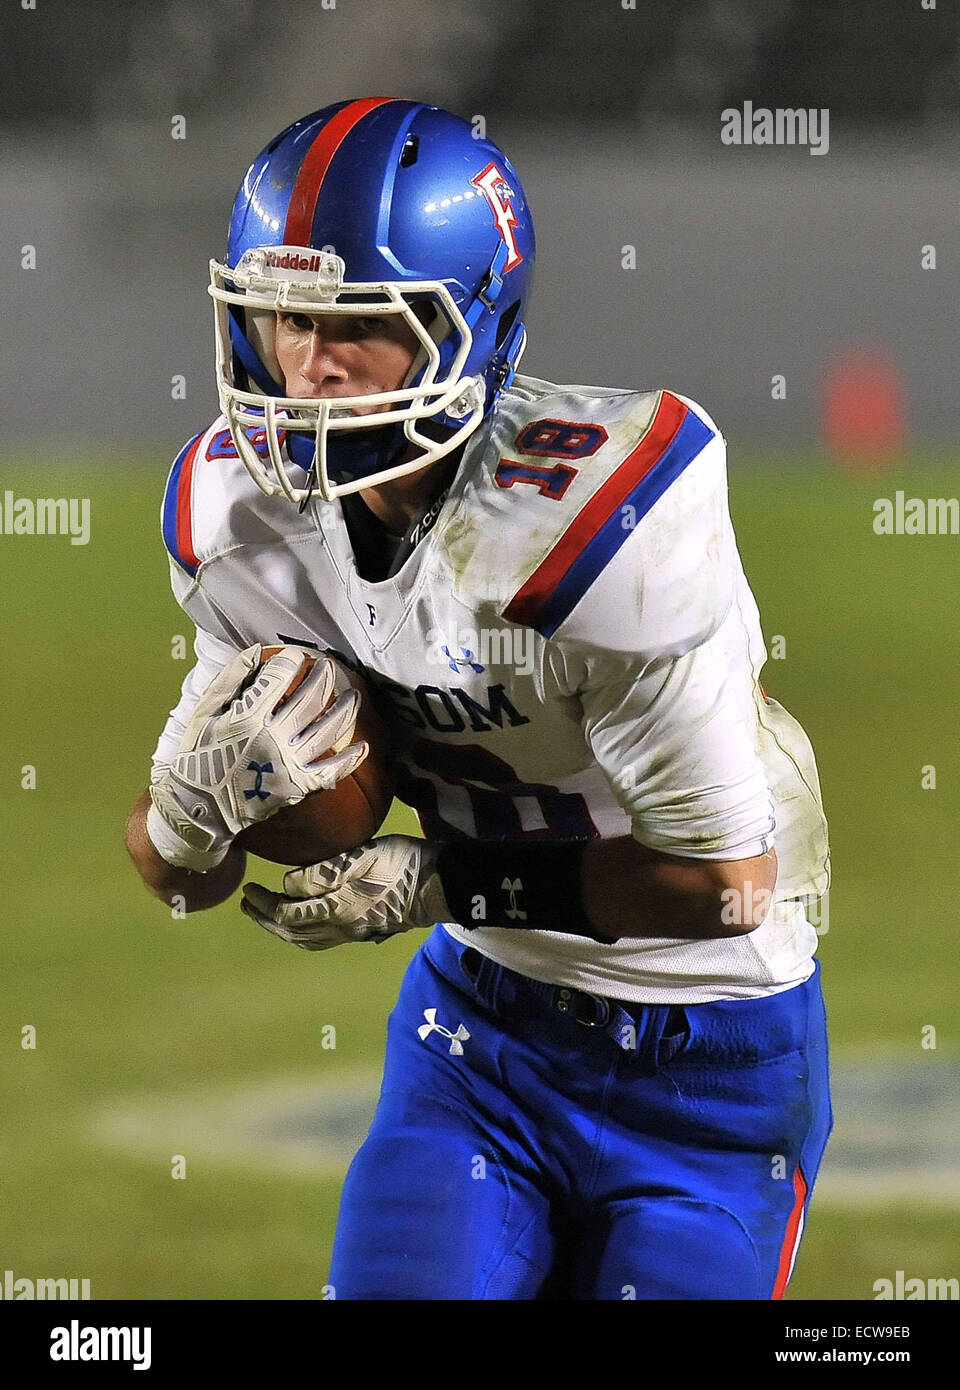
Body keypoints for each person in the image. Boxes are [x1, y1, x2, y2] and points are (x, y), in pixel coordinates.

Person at [124, 98, 832, 1300]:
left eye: (358, 326)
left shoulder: (605, 525)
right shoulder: (243, 521)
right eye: (284, 316)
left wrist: (445, 882)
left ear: (466, 330)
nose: (309, 363)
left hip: (709, 1053)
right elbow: (182, 875)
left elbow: (726, 888)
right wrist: (187, 819)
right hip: (480, 1032)